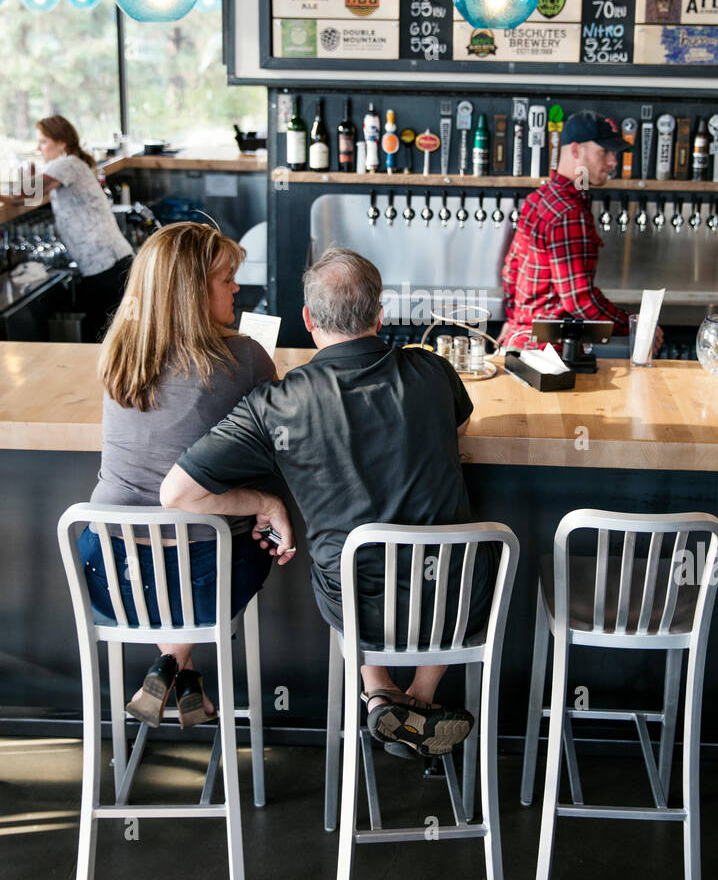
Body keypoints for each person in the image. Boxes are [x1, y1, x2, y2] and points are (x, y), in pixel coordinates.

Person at [160, 246, 495, 759]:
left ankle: (378, 689)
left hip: (358, 606)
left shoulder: (275, 403)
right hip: (452, 602)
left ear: (308, 319)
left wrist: (264, 503)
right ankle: (418, 698)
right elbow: (460, 428)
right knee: (458, 560)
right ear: (381, 315)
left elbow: (178, 494)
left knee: (344, 558)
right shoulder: (433, 371)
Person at [77, 222, 284, 727]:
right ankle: (175, 664)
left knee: (175, 583)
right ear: (192, 291)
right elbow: (280, 438)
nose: (237, 288)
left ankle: (172, 668)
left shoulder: (118, 355)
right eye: (225, 279)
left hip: (111, 573)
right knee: (245, 546)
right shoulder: (246, 358)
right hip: (204, 577)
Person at [499, 109, 663, 354]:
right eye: (604, 152)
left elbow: (510, 273)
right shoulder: (568, 212)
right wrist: (634, 325)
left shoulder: (539, 198)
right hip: (549, 354)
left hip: (522, 343)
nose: (613, 162)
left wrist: (515, 323)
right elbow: (579, 300)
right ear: (575, 150)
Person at [33, 116, 134, 342]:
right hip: (106, 260)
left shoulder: (66, 164)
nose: (38, 148)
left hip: (105, 262)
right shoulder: (70, 164)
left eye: (43, 141)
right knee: (111, 332)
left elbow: (27, 193)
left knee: (105, 335)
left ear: (62, 142)